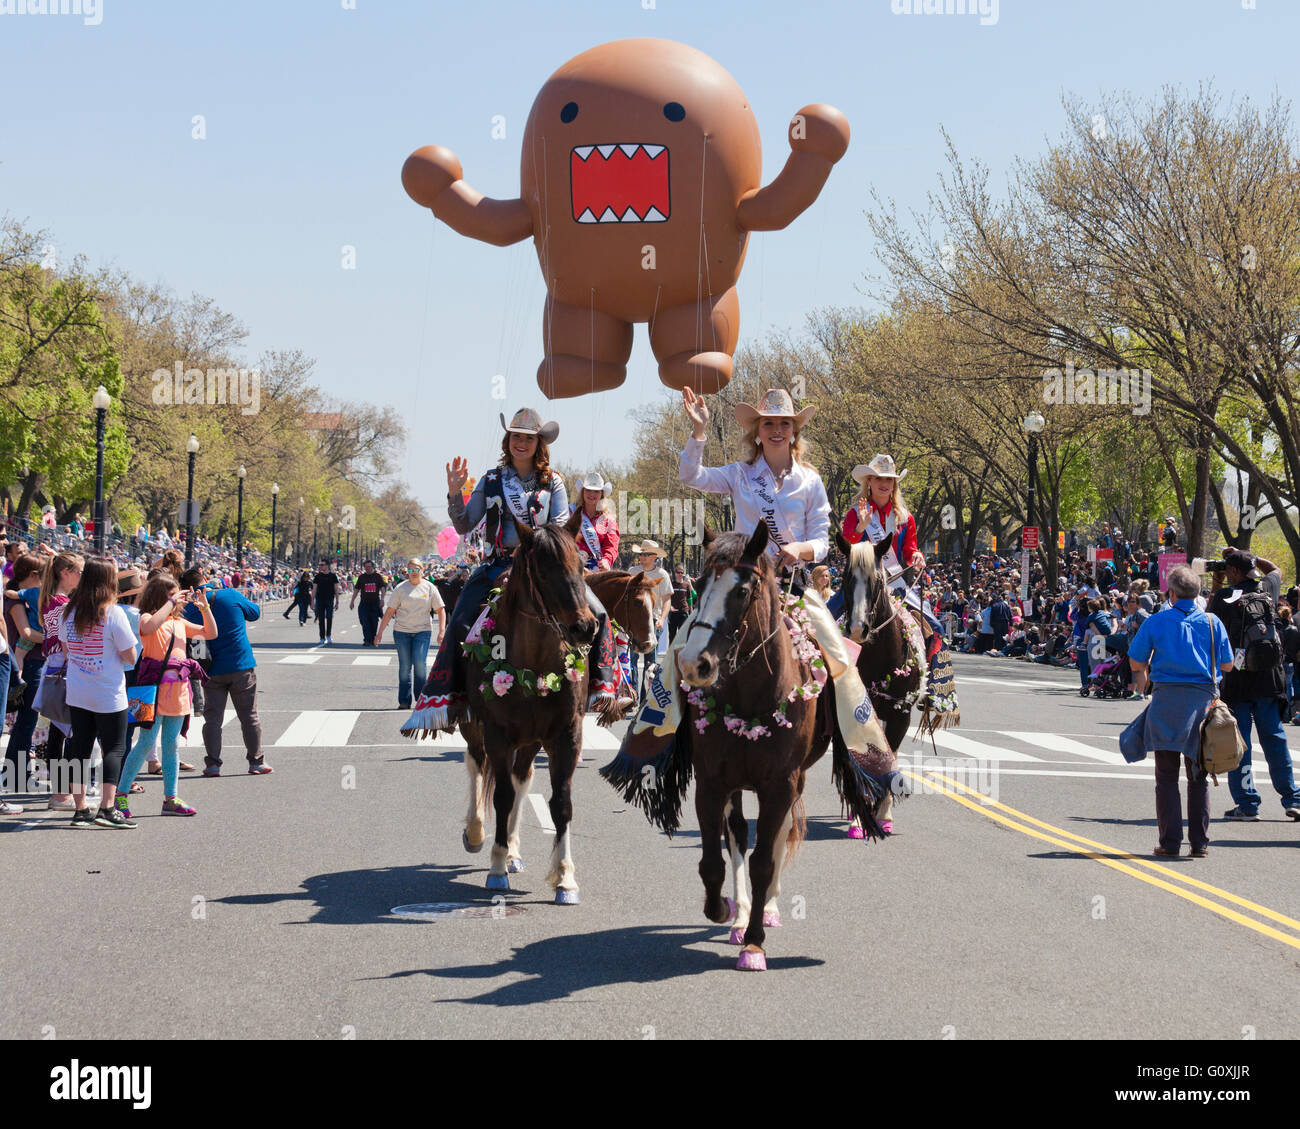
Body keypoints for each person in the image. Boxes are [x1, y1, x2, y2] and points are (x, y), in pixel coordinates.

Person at [672, 386, 892, 822]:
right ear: (757, 430)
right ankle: (660, 743)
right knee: (683, 646)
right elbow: (691, 476)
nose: (776, 430)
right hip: (741, 587)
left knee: (840, 661)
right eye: (768, 423)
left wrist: (799, 550)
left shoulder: (810, 481)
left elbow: (823, 540)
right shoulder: (739, 473)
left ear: (794, 431)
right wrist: (698, 432)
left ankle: (864, 755)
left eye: (784, 424)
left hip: (791, 587)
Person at [404, 407, 619, 735]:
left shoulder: (553, 482)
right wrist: (454, 493)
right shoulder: (491, 480)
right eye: (516, 436)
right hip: (499, 565)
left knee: (598, 613)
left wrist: (541, 553)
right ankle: (451, 699)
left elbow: (562, 528)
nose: (521, 442)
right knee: (460, 621)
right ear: (508, 440)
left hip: (545, 565)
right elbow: (464, 524)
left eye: (529, 438)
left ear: (539, 443)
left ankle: (602, 689)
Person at [1124, 565, 1234, 858]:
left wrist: (1146, 674)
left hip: (1167, 701)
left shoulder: (1157, 621)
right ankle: (1200, 843)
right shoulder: (1212, 621)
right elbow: (1227, 664)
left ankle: (1170, 842)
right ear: (1197, 593)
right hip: (1202, 704)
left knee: (1166, 775)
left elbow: (1135, 661)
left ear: (1171, 593)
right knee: (1198, 775)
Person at [1206, 549, 1300, 822]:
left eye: (1229, 570)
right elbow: (1275, 570)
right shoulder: (1267, 591)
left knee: (1241, 743)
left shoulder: (1225, 596)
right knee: (1275, 738)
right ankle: (1293, 798)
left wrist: (1217, 581)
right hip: (1269, 679)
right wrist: (1249, 556)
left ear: (1233, 572)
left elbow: (1210, 623)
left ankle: (1248, 804)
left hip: (1238, 680)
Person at [115, 574, 217, 818]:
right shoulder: (146, 618)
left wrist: (205, 608)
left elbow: (210, 633)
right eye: (172, 594)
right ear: (160, 597)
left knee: (172, 746)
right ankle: (120, 796)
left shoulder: (178, 622)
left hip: (179, 691)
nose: (179, 598)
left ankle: (171, 798)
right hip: (152, 690)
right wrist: (171, 603)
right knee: (145, 743)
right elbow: (148, 627)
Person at [56, 557, 139, 828]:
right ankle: (107, 807)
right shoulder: (112, 613)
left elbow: (66, 650)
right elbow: (130, 656)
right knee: (114, 747)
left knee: (79, 747)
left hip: (78, 690)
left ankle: (81, 809)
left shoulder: (69, 611)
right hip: (107, 692)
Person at [185, 571, 272, 776]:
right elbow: (254, 612)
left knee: (213, 719)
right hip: (240, 663)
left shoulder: (189, 607)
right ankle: (256, 761)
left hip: (210, 667)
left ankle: (213, 764)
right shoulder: (230, 595)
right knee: (249, 716)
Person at [377, 559, 446, 711]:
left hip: (423, 631)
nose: (413, 573)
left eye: (416, 569)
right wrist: (379, 633)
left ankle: (421, 700)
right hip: (402, 632)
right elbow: (390, 611)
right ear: (406, 572)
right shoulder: (400, 588)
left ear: (422, 570)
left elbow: (441, 610)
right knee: (405, 667)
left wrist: (441, 632)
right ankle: (404, 700)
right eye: (410, 570)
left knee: (420, 665)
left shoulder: (429, 587)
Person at [626, 541, 673, 700]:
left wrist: (662, 619)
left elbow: (667, 600)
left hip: (653, 621)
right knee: (632, 659)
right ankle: (633, 697)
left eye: (645, 554)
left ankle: (646, 699)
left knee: (650, 663)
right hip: (634, 622)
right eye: (641, 554)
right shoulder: (632, 572)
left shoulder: (662, 575)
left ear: (654, 557)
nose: (642, 557)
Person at [571, 472, 620, 570]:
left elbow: (611, 545)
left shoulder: (609, 519)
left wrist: (607, 560)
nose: (592, 494)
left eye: (596, 491)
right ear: (583, 492)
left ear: (601, 494)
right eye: (588, 490)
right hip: (572, 564)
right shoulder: (570, 513)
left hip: (598, 567)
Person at [350, 560, 388, 646]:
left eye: (369, 567)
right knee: (364, 621)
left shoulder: (377, 577)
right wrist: (352, 601)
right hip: (364, 603)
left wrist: (382, 599)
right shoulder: (362, 577)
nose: (367, 568)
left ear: (373, 567)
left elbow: (382, 589)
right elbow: (356, 590)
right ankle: (367, 639)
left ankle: (373, 638)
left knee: (374, 622)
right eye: (366, 567)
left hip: (375, 603)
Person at [313, 560, 340, 644]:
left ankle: (328, 635)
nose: (321, 566)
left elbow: (336, 589)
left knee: (329, 617)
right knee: (321, 619)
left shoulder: (333, 576)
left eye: (322, 565)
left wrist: (337, 601)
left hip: (329, 599)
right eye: (320, 565)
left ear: (327, 565)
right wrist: (312, 601)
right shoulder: (317, 576)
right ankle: (322, 637)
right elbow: (314, 589)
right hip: (319, 600)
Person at [667, 563, 694, 645]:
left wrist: (691, 613)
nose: (680, 574)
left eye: (681, 572)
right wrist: (669, 607)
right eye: (678, 572)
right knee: (672, 636)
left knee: (683, 636)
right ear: (675, 573)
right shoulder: (671, 584)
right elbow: (667, 599)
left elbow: (690, 599)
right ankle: (671, 651)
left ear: (683, 573)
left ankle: (681, 651)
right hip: (673, 614)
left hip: (683, 613)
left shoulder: (687, 585)